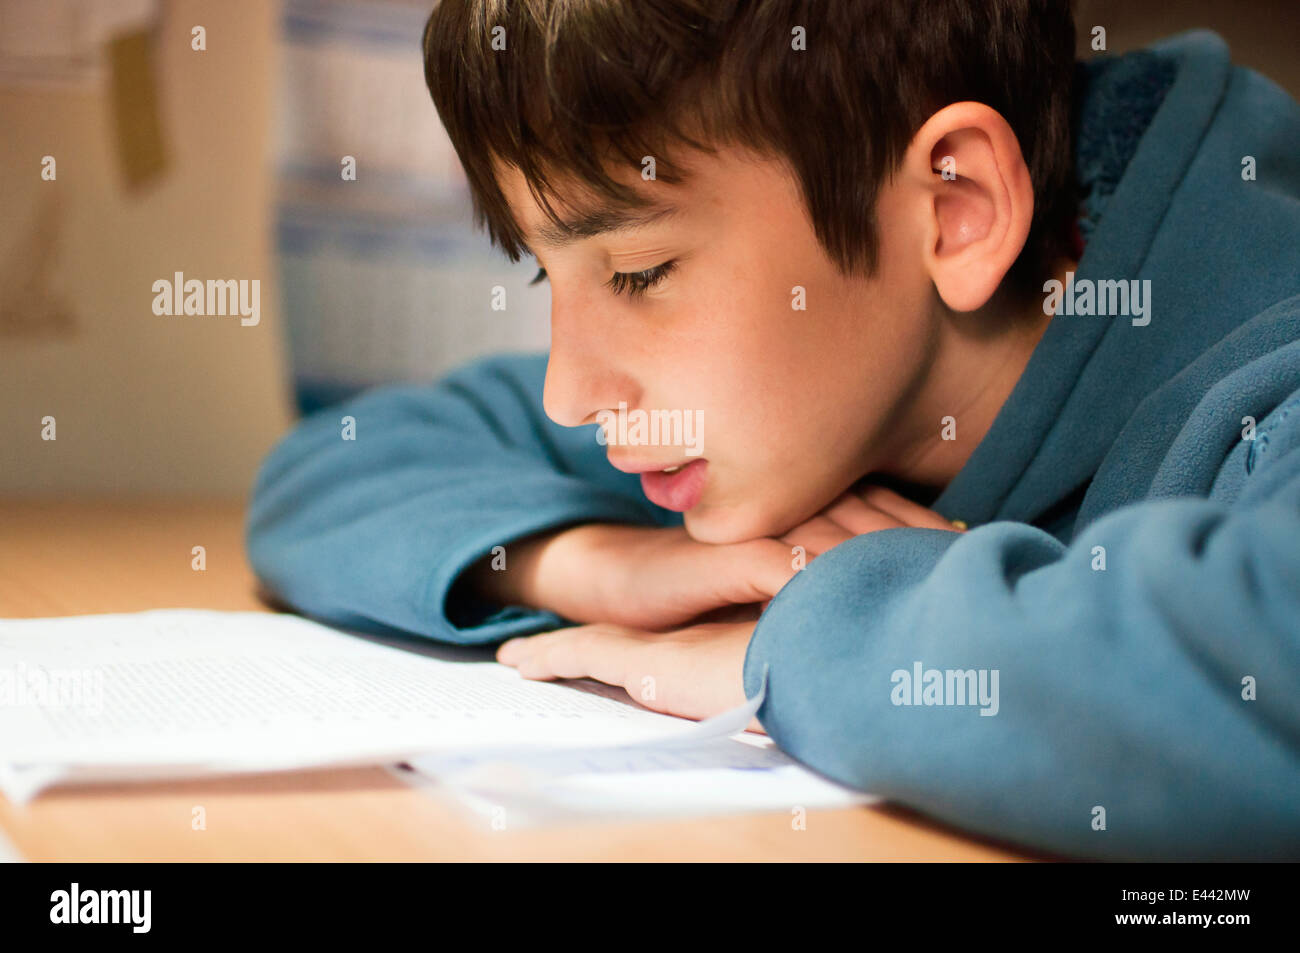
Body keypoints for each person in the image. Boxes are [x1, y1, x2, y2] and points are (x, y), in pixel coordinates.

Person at [246, 1, 1300, 860]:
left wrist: (811, 635)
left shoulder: (1265, 357)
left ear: (953, 209)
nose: (570, 394)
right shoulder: (828, 385)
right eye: (546, 273)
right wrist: (591, 561)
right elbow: (333, 467)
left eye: (639, 272)